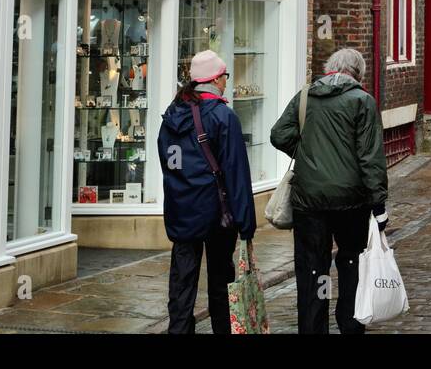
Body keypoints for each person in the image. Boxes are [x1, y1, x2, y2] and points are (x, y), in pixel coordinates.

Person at [271, 48, 389, 335]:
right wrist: (379, 203)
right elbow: (370, 156)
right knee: (351, 264)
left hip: (308, 202)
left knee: (312, 268)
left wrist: (309, 157)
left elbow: (279, 134)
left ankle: (312, 328)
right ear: (357, 73)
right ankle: (350, 325)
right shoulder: (362, 101)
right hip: (351, 202)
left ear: (330, 68)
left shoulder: (305, 96)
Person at [158, 50, 258, 335]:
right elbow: (237, 174)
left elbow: (167, 162)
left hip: (182, 210)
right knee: (221, 281)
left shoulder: (171, 115)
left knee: (182, 282)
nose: (226, 82)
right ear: (216, 79)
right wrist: (246, 224)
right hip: (217, 213)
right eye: (225, 76)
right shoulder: (223, 117)